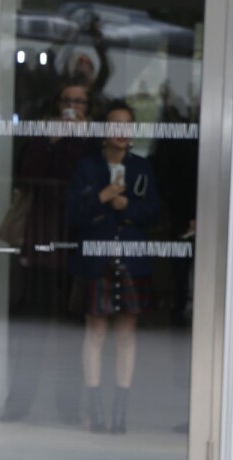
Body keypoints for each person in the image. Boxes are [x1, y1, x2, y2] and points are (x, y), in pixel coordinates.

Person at [0, 82, 97, 424]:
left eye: (79, 101)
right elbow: (29, 172)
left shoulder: (92, 139)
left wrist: (76, 138)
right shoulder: (43, 134)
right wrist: (55, 139)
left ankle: (69, 408)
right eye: (67, 101)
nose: (73, 107)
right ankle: (18, 403)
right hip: (40, 238)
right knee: (31, 329)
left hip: (76, 242)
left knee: (72, 331)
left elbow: (84, 178)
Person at [68, 99, 159, 434]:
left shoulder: (142, 168)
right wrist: (102, 197)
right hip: (96, 258)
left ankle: (120, 412)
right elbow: (72, 214)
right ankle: (95, 410)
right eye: (115, 124)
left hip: (132, 259)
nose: (121, 131)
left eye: (127, 125)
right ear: (103, 131)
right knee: (95, 332)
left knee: (126, 335)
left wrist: (127, 205)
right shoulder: (87, 168)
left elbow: (155, 213)